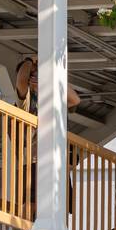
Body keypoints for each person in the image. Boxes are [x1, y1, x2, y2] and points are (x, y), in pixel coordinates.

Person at [13, 56, 82, 216]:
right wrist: (30, 61)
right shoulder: (25, 99)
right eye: (33, 75)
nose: (36, 77)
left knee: (60, 206)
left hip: (56, 162)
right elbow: (21, 81)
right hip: (34, 161)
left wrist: (51, 75)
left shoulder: (52, 98)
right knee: (31, 204)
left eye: (38, 74)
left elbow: (75, 99)